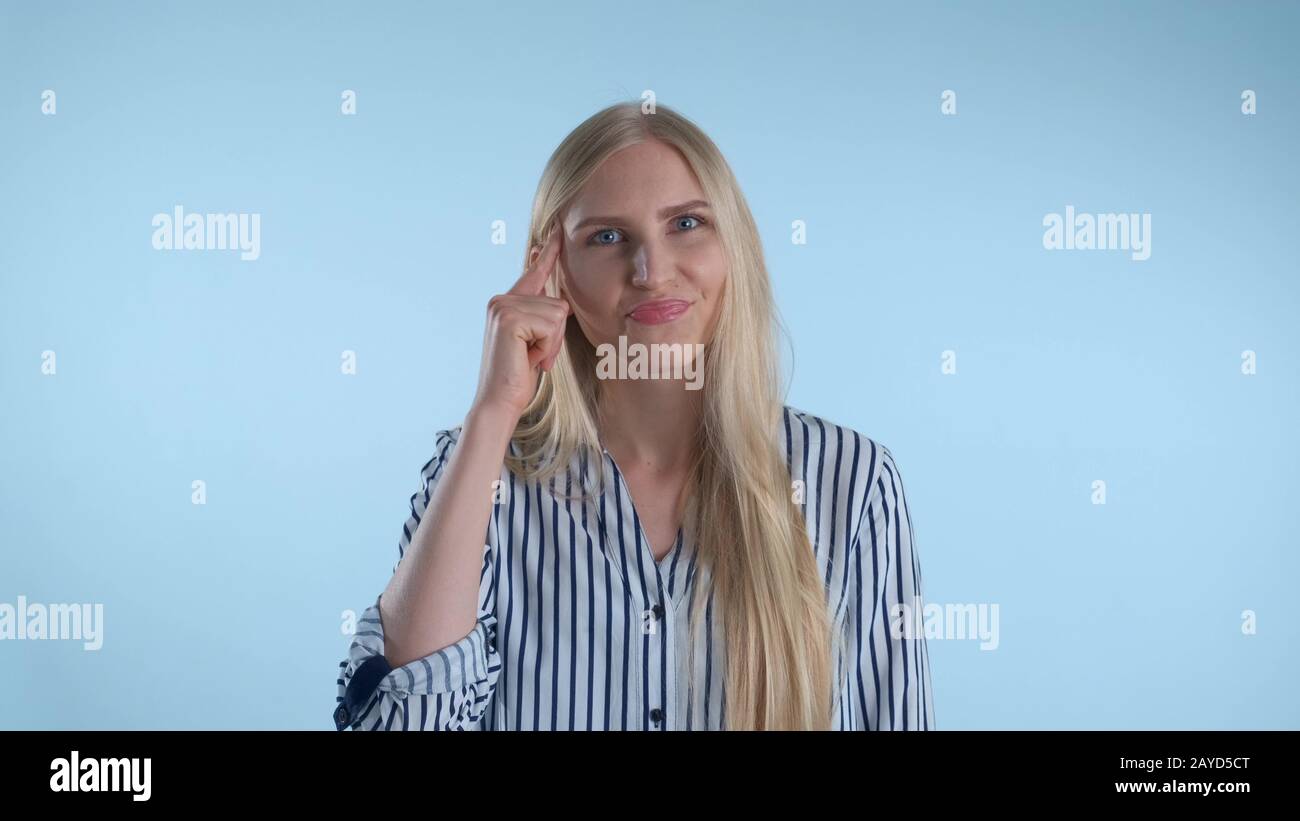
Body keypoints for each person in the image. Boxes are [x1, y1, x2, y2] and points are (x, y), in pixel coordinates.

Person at [334, 101, 934, 731]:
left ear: (735, 248)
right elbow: (397, 724)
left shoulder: (853, 483)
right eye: (608, 237)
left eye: (686, 224)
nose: (651, 272)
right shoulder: (481, 478)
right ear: (552, 272)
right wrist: (493, 412)